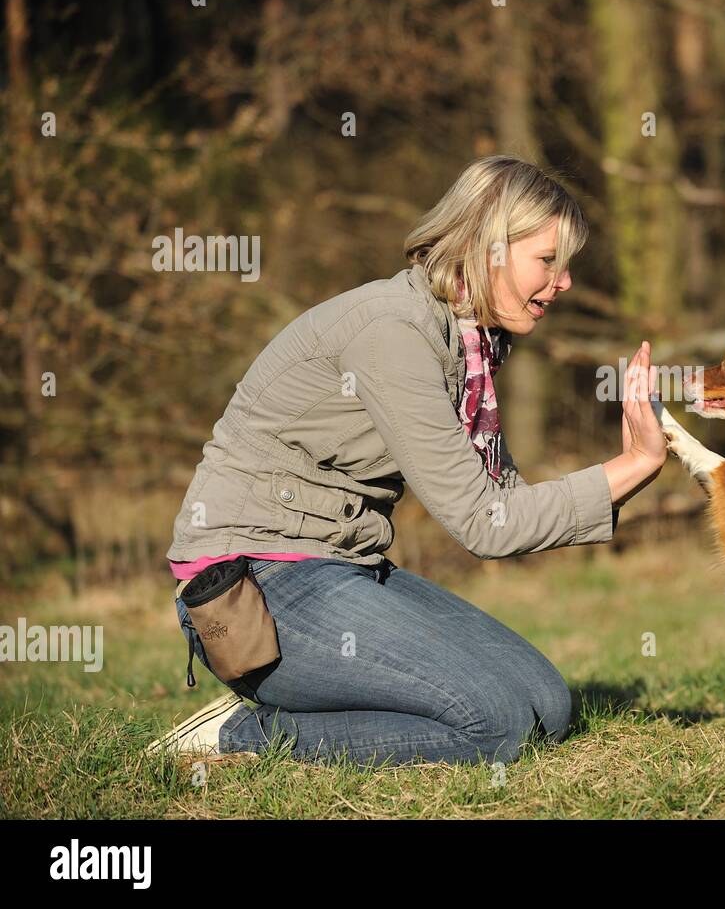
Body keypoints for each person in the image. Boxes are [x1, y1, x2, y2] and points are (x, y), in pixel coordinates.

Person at [148, 155, 666, 766]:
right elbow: (485, 524)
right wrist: (630, 466)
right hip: (255, 584)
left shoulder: (467, 347)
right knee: (495, 724)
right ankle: (237, 736)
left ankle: (314, 716)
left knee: (546, 705)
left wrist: (630, 469)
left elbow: (506, 501)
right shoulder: (393, 334)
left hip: (342, 565)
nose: (564, 281)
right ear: (487, 247)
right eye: (548, 261)